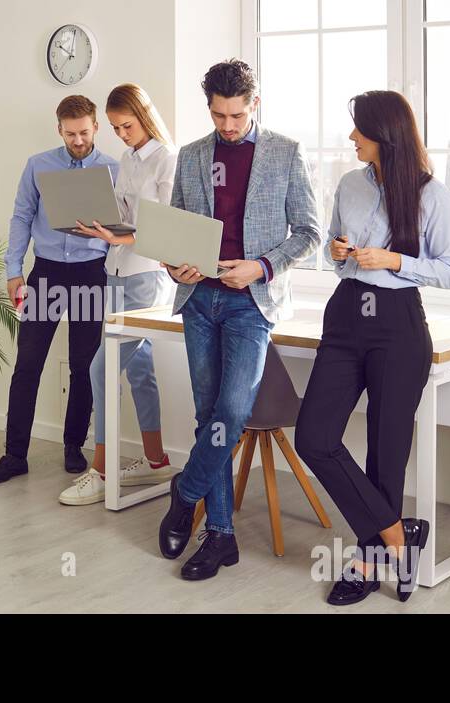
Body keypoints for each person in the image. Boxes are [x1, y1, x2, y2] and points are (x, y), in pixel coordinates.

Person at [294, 90, 450, 605]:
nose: (351, 139)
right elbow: (334, 249)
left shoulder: (433, 195)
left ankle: (368, 561)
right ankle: (399, 537)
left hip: (398, 325)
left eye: (359, 131)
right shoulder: (349, 184)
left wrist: (393, 261)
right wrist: (338, 249)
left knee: (385, 457)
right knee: (313, 438)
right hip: (346, 315)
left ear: (385, 136)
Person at [156, 60, 321, 580]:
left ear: (255, 104)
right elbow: (174, 228)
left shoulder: (286, 154)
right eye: (218, 115)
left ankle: (185, 493)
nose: (227, 125)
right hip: (198, 300)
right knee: (210, 418)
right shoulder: (192, 156)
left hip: (252, 304)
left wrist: (261, 267)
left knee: (231, 409)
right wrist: (173, 261)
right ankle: (220, 536)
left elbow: (310, 232)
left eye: (235, 114)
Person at [0, 96, 119, 484]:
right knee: (28, 364)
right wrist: (13, 271)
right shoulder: (38, 165)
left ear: (96, 127)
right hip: (45, 274)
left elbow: (125, 228)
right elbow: (21, 215)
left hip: (91, 273)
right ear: (59, 129)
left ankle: (74, 445)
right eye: (70, 133)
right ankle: (14, 455)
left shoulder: (114, 170)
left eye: (85, 132)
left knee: (83, 366)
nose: (78, 140)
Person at [59, 83, 178, 506]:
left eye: (126, 125)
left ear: (144, 117)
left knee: (100, 370)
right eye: (114, 128)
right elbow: (126, 218)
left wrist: (123, 237)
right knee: (139, 369)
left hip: (146, 278)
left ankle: (101, 470)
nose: (122, 134)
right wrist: (101, 226)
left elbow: (168, 232)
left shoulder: (168, 159)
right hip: (114, 271)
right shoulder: (127, 160)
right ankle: (157, 459)